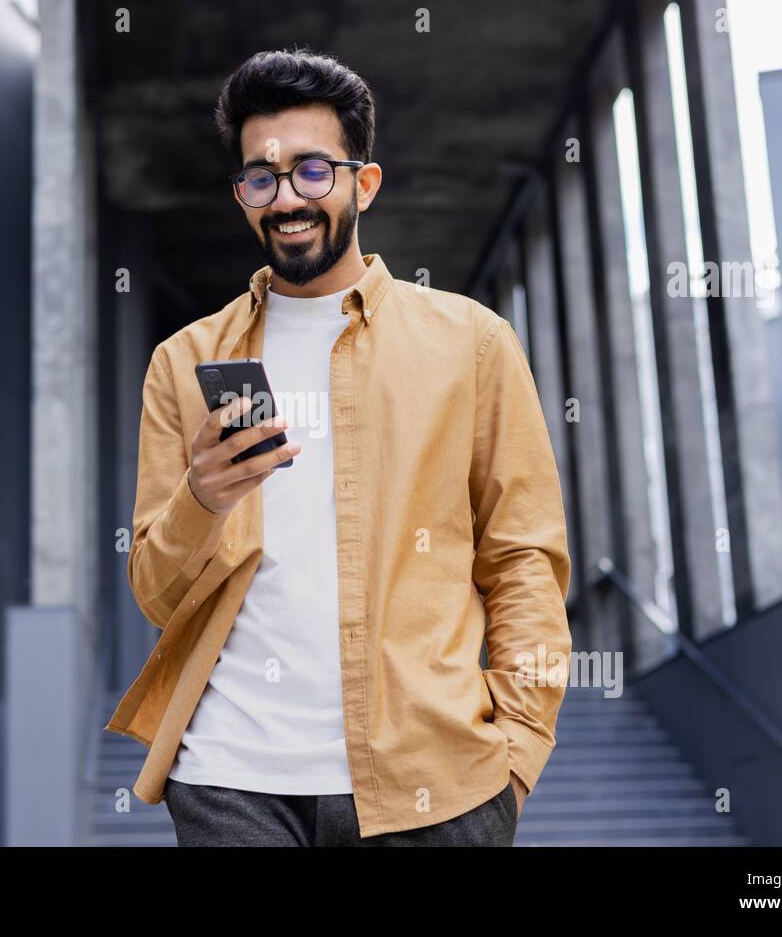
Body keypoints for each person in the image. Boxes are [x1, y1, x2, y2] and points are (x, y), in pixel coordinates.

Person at [107, 47, 572, 846]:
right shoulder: (183, 362)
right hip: (230, 781)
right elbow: (154, 591)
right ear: (242, 195)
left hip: (434, 785)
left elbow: (523, 559)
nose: (287, 197)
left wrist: (519, 751)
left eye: (312, 171)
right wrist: (203, 500)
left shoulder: (472, 343)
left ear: (365, 182)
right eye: (262, 176)